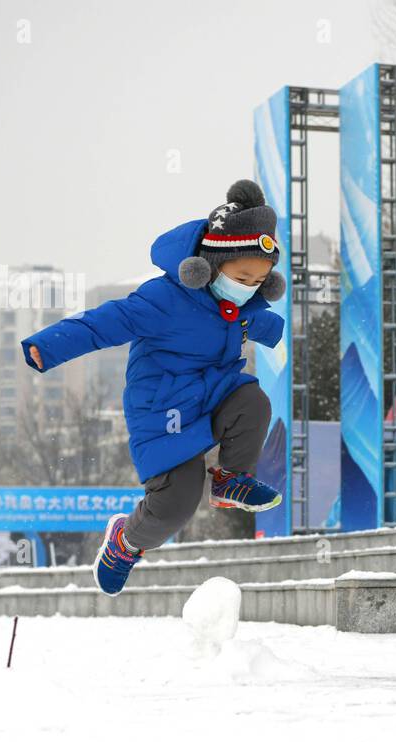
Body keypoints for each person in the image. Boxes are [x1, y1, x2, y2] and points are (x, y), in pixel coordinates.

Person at [23, 180, 286, 596]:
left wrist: (280, 331)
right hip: (163, 411)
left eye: (259, 280)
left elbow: (254, 321)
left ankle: (230, 479)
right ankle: (125, 543)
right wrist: (48, 346)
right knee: (175, 505)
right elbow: (104, 323)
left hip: (214, 394)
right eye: (241, 276)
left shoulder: (242, 304)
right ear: (211, 265)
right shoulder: (163, 300)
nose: (249, 287)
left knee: (253, 402)